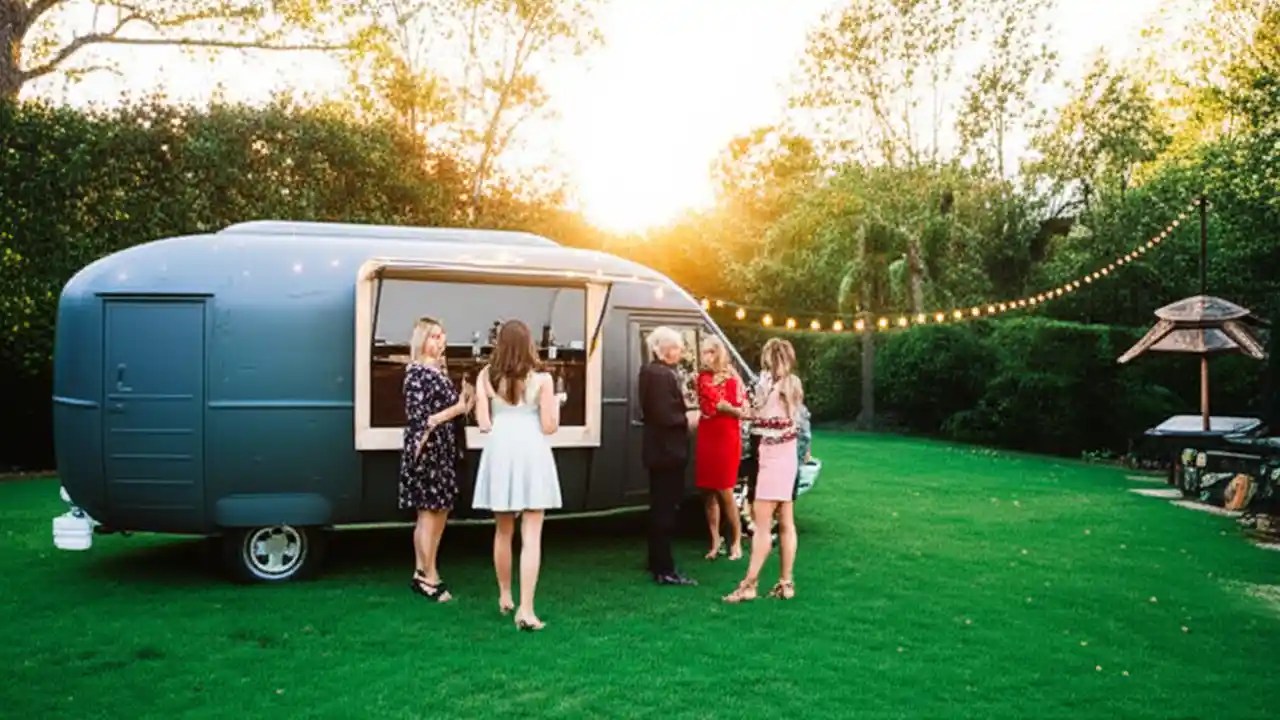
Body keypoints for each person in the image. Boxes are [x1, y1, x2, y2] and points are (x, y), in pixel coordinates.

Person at [472, 319, 563, 631]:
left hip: (500, 451)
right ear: (529, 344)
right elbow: (550, 427)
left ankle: (505, 595)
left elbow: (483, 423)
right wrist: (557, 408)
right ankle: (526, 609)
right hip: (531, 451)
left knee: (503, 531)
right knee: (532, 534)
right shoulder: (543, 380)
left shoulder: (486, 376)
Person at [399, 316, 474, 602]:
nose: (439, 341)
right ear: (421, 339)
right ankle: (425, 576)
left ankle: (428, 571)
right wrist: (458, 408)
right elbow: (422, 420)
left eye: (442, 335)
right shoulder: (417, 372)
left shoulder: (437, 370)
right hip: (428, 449)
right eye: (433, 336)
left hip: (442, 448)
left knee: (439, 512)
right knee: (428, 514)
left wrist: (465, 404)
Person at [724, 338, 803, 603]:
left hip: (772, 456)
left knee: (762, 525)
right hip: (787, 455)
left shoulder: (776, 386)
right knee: (787, 522)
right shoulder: (790, 385)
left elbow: (752, 412)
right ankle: (786, 582)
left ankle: (750, 583)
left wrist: (741, 387)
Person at [638, 326, 699, 586]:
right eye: (675, 347)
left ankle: (655, 560)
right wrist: (688, 419)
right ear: (663, 349)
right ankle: (665, 569)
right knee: (666, 509)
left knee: (658, 507)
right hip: (668, 451)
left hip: (657, 450)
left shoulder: (648, 371)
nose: (680, 352)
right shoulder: (662, 375)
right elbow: (664, 415)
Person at [695, 336, 745, 561]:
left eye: (710, 352)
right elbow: (716, 401)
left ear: (719, 353)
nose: (706, 356)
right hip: (709, 433)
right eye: (704, 352)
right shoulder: (703, 377)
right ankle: (715, 541)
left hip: (727, 434)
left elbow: (741, 401)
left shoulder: (733, 375)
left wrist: (739, 409)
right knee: (708, 491)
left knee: (726, 489)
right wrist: (738, 411)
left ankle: (736, 541)